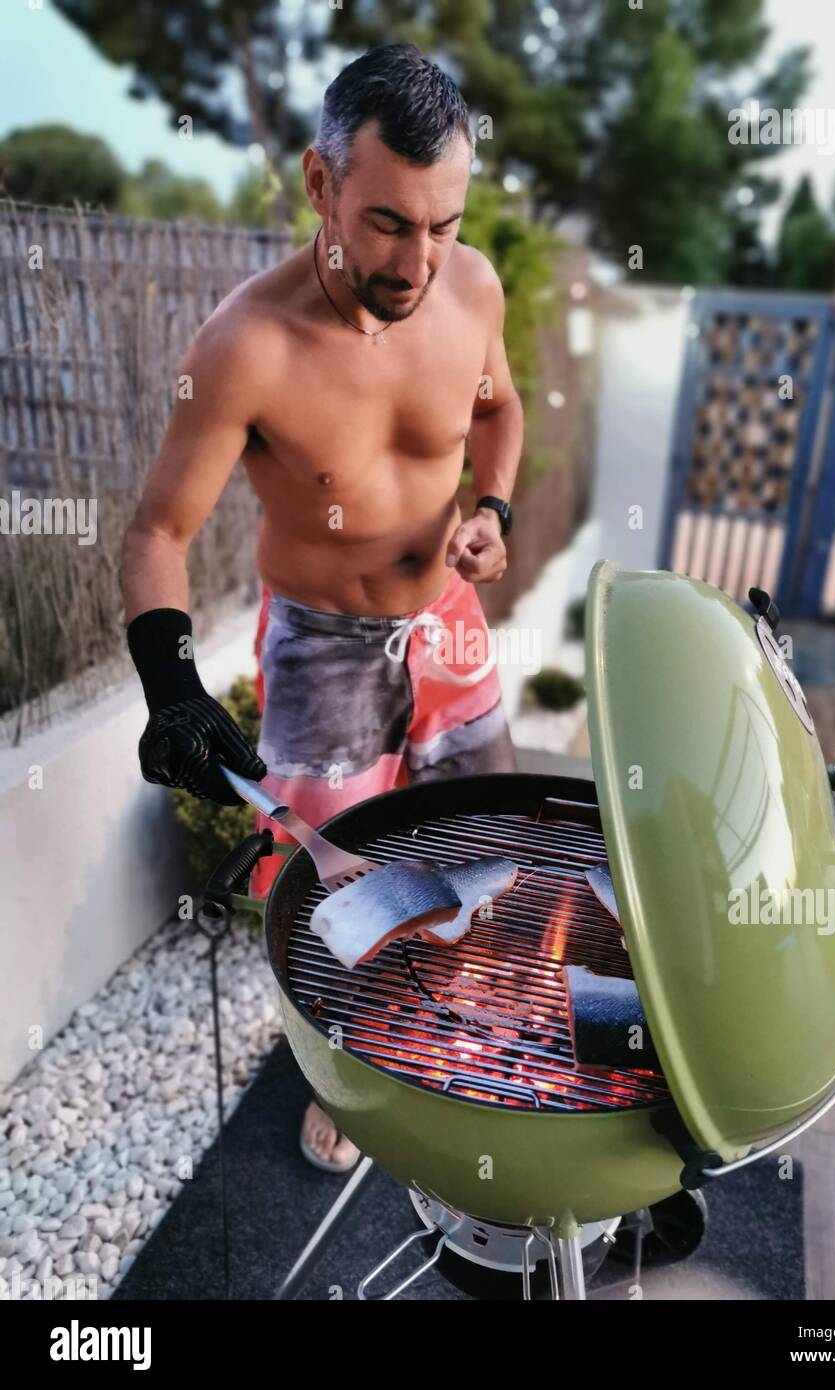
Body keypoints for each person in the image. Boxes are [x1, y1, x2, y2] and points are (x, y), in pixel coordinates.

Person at [119, 43, 522, 1172]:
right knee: (331, 883)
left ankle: (459, 1015)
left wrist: (493, 506)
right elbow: (156, 532)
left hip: (445, 614)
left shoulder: (473, 285)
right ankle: (353, 1068)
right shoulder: (243, 346)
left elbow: (501, 413)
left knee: (482, 840)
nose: (422, 259)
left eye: (445, 224)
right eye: (391, 222)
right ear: (320, 184)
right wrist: (171, 687)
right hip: (321, 644)